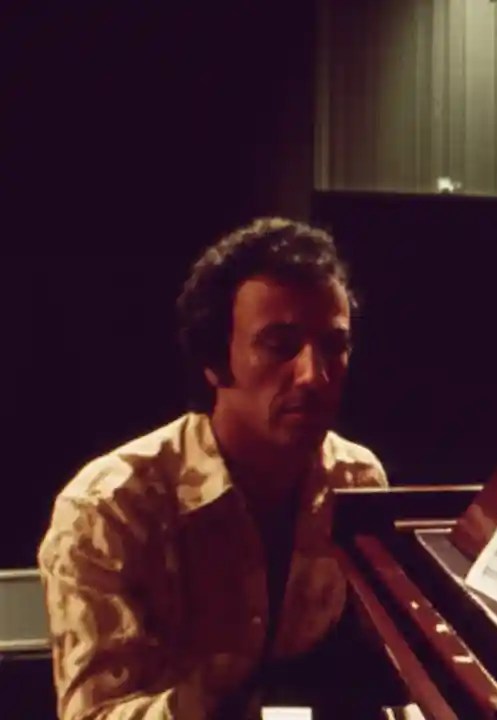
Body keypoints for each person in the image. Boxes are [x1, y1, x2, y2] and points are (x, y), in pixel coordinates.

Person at [38, 218, 397, 719]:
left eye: (334, 346)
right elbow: (95, 715)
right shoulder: (108, 508)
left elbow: (380, 675)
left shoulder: (355, 479)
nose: (314, 375)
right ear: (213, 358)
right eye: (279, 344)